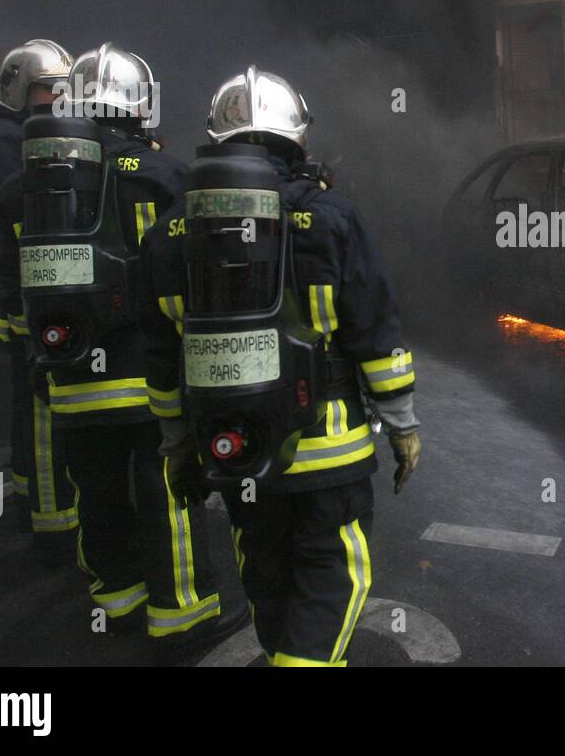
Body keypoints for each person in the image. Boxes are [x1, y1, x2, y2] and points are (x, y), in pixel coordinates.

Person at [140, 66, 421, 666]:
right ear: (297, 140)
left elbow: (161, 353)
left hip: (234, 451)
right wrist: (403, 425)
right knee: (331, 570)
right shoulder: (330, 217)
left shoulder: (169, 232)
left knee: (263, 565)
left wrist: (177, 444)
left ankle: (284, 654)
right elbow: (375, 329)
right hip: (328, 449)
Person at [0, 43, 242, 660]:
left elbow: (8, 293)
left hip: (69, 376)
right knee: (168, 491)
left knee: (96, 489)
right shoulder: (165, 177)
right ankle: (181, 614)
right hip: (148, 377)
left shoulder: (22, 187)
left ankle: (117, 598)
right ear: (140, 105)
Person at [0, 39, 76, 538]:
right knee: (40, 408)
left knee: (42, 403)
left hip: (44, 290)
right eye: (48, 90)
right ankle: (49, 517)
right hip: (24, 294)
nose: (59, 99)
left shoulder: (34, 135)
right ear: (17, 89)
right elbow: (13, 225)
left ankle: (41, 494)